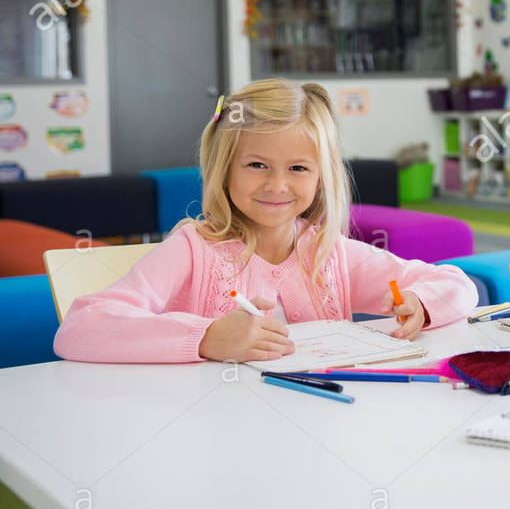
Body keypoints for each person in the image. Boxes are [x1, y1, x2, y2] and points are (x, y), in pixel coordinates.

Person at [54, 79, 477, 363]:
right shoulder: (192, 250)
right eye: (257, 164)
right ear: (224, 168)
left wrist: (420, 303)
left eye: (298, 168)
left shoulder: (330, 254)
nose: (277, 185)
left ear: (321, 177)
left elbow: (457, 284)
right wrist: (205, 338)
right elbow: (79, 327)